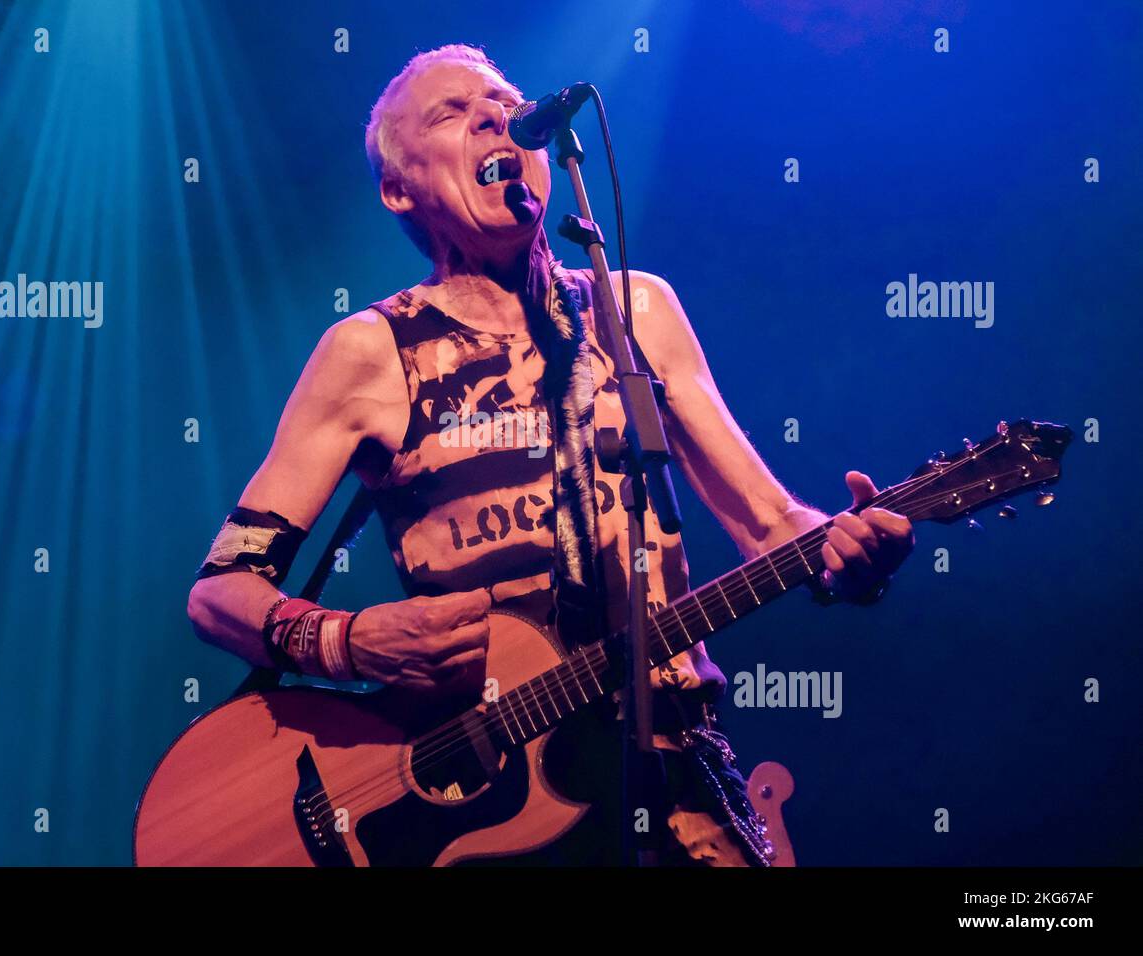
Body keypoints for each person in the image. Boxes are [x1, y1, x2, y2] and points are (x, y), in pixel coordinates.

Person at [186, 44, 913, 865]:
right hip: (492, 803)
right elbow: (220, 593)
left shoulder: (635, 307)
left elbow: (771, 522)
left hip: (676, 773)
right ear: (398, 188)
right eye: (451, 113)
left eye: (501, 101)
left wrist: (839, 548)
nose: (492, 115)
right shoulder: (370, 352)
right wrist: (349, 641)